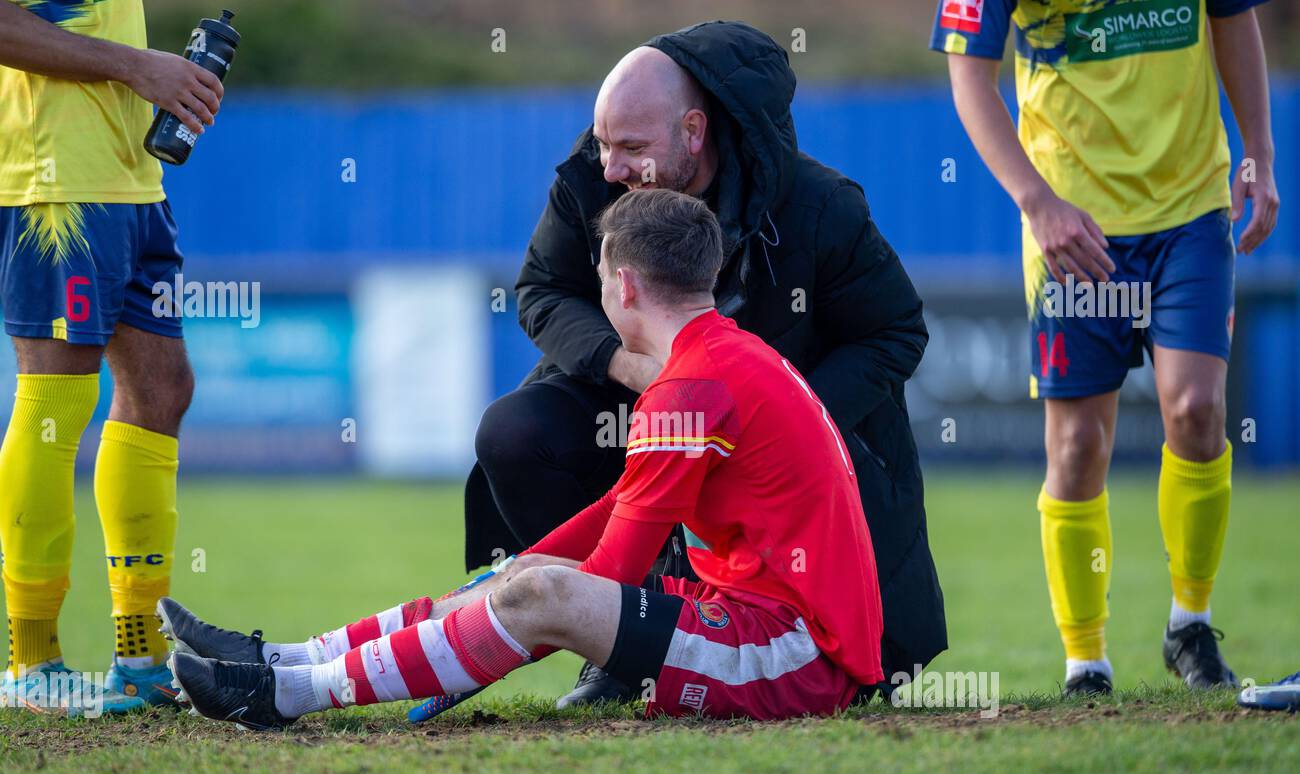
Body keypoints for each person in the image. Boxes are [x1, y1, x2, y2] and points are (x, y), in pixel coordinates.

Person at [164, 189, 885, 729]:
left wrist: (497, 631)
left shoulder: (688, 387)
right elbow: (613, 512)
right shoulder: (723, 357)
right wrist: (508, 585)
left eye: (600, 273)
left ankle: (287, 694)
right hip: (768, 625)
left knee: (540, 596)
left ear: (623, 285)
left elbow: (608, 580)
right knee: (526, 581)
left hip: (797, 659)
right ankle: (286, 661)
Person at [466, 20, 946, 707]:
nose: (610, 169)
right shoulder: (592, 180)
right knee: (514, 433)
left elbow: (895, 332)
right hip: (634, 402)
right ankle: (618, 647)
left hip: (782, 431)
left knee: (869, 664)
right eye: (603, 144)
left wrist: (780, 422)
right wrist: (627, 368)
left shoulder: (820, 206)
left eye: (631, 148)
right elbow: (543, 291)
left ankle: (779, 644)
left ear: (695, 131)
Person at [932, 0, 1280, 695]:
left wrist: (1260, 155)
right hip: (1075, 224)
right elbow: (969, 75)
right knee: (1078, 445)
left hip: (1190, 211)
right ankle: (1085, 661)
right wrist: (1037, 201)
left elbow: (1234, 18)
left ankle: (1190, 625)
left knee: (1197, 406)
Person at [0, 0, 222, 713]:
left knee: (163, 389)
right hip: (56, 184)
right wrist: (140, 67)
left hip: (132, 181)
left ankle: (140, 653)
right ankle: (30, 660)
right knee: (57, 399)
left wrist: (169, 79)